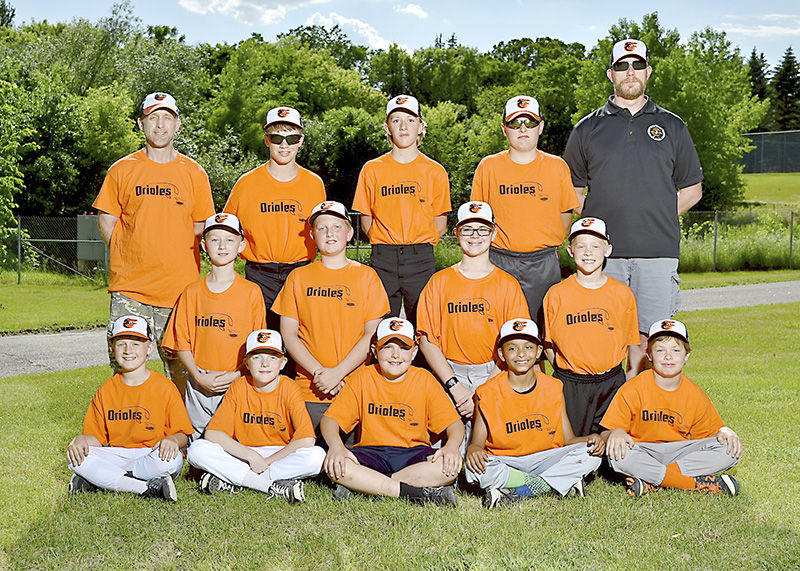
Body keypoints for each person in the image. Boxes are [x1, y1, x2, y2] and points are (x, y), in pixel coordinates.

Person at [564, 39, 704, 376]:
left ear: (648, 71)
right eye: (623, 66)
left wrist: (657, 214)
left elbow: (692, 189)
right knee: (603, 336)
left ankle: (642, 406)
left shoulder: (672, 125)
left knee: (650, 340)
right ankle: (608, 406)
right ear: (610, 74)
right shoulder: (587, 128)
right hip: (602, 257)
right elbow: (571, 192)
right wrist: (597, 230)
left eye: (637, 65)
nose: (630, 72)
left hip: (657, 252)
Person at [93, 92, 215, 381]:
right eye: (153, 118)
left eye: (167, 118)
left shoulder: (194, 173)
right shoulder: (122, 170)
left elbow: (202, 226)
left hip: (179, 292)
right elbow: (107, 219)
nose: (160, 125)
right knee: (126, 370)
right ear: (141, 124)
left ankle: (180, 415)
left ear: (177, 125)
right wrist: (127, 251)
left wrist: (171, 247)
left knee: (183, 374)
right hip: (130, 291)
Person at [272, 201, 390, 437]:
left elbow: (372, 334)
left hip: (354, 388)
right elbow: (288, 334)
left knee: (352, 454)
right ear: (312, 235)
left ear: (350, 233)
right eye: (322, 228)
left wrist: (338, 373)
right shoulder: (298, 277)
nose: (329, 233)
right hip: (310, 388)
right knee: (310, 452)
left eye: (337, 227)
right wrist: (320, 373)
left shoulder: (367, 276)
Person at [416, 201, 529, 445]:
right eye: (467, 229)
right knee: (444, 453)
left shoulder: (508, 285)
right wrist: (455, 387)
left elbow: (517, 346)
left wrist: (484, 391)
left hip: (494, 373)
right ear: (457, 233)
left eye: (482, 229)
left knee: (496, 449)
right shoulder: (439, 282)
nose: (475, 236)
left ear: (494, 233)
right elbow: (427, 340)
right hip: (449, 374)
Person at [320, 318, 464, 505]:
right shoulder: (363, 377)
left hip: (413, 454)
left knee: (448, 469)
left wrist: (451, 447)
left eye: (403, 348)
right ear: (375, 351)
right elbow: (330, 420)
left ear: (414, 353)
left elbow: (455, 424)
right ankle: (415, 493)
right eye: (388, 347)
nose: (396, 355)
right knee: (339, 466)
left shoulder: (424, 379)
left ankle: (368, 486)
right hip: (371, 454)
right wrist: (336, 447)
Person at [465, 319, 604, 508]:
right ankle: (554, 483)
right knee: (473, 469)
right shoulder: (487, 392)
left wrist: (592, 439)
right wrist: (473, 450)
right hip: (508, 461)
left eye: (528, 347)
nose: (521, 354)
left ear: (539, 352)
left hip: (546, 458)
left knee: (591, 454)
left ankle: (520, 490)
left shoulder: (553, 387)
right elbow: (477, 443)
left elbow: (569, 439)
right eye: (512, 348)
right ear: (502, 354)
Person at [601, 320, 742, 497]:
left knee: (729, 448)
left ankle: (651, 480)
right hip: (643, 450)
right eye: (660, 350)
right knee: (617, 455)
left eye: (676, 350)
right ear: (649, 355)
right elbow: (605, 435)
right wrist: (615, 433)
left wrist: (724, 431)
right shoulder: (632, 388)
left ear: (687, 355)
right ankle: (692, 484)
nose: (668, 356)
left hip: (678, 452)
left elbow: (708, 437)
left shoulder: (695, 394)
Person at [471, 96, 578, 324]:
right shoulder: (488, 167)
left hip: (543, 263)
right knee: (496, 328)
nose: (522, 129)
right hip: (498, 260)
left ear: (541, 126)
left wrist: (547, 245)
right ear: (504, 129)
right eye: (514, 123)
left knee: (541, 330)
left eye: (529, 122)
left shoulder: (557, 167)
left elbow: (565, 214)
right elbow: (477, 220)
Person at [186, 329, 325, 503]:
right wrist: (251, 456)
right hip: (243, 453)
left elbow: (306, 439)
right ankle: (270, 486)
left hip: (278, 454)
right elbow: (213, 434)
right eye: (257, 357)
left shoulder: (289, 387)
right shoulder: (239, 386)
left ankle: (232, 480)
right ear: (246, 363)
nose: (265, 364)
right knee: (197, 450)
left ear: (282, 363)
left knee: (317, 457)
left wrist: (267, 461)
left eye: (272, 357)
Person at [162, 213, 266, 441]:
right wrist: (198, 376)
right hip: (199, 382)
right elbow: (181, 343)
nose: (222, 246)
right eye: (215, 239)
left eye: (230, 240)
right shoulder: (191, 292)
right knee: (197, 446)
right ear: (204, 245)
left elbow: (258, 347)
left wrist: (236, 374)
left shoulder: (251, 292)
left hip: (237, 381)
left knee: (234, 441)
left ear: (241, 246)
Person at [66, 315, 193, 502]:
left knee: (172, 461)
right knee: (75, 457)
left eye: (136, 344)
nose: (128, 350)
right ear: (112, 348)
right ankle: (144, 487)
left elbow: (183, 435)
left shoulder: (165, 387)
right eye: (121, 344)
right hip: (119, 453)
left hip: (152, 453)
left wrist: (173, 440)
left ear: (149, 348)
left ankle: (100, 480)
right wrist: (80, 440)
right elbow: (96, 438)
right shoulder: (106, 389)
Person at [352, 95, 451, 326]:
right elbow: (366, 218)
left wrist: (418, 245)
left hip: (421, 257)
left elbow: (440, 222)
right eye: (396, 120)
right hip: (383, 256)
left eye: (410, 120)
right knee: (380, 323)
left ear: (421, 126)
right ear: (387, 128)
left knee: (424, 322)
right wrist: (384, 241)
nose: (403, 126)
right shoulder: (372, 169)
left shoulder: (435, 171)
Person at [223, 106, 326, 329]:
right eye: (277, 138)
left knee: (300, 339)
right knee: (261, 340)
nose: (284, 145)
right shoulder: (246, 183)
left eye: (292, 138)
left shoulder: (314, 184)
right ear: (266, 140)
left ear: (301, 141)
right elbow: (225, 232)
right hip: (259, 274)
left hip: (300, 272)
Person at [542, 217, 639, 436]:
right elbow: (548, 344)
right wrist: (565, 371)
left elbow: (633, 344)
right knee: (573, 446)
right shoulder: (556, 294)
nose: (588, 252)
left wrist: (628, 384)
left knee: (614, 447)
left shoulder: (622, 294)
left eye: (596, 246)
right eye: (581, 246)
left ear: (608, 250)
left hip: (612, 381)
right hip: (572, 383)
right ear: (570, 251)